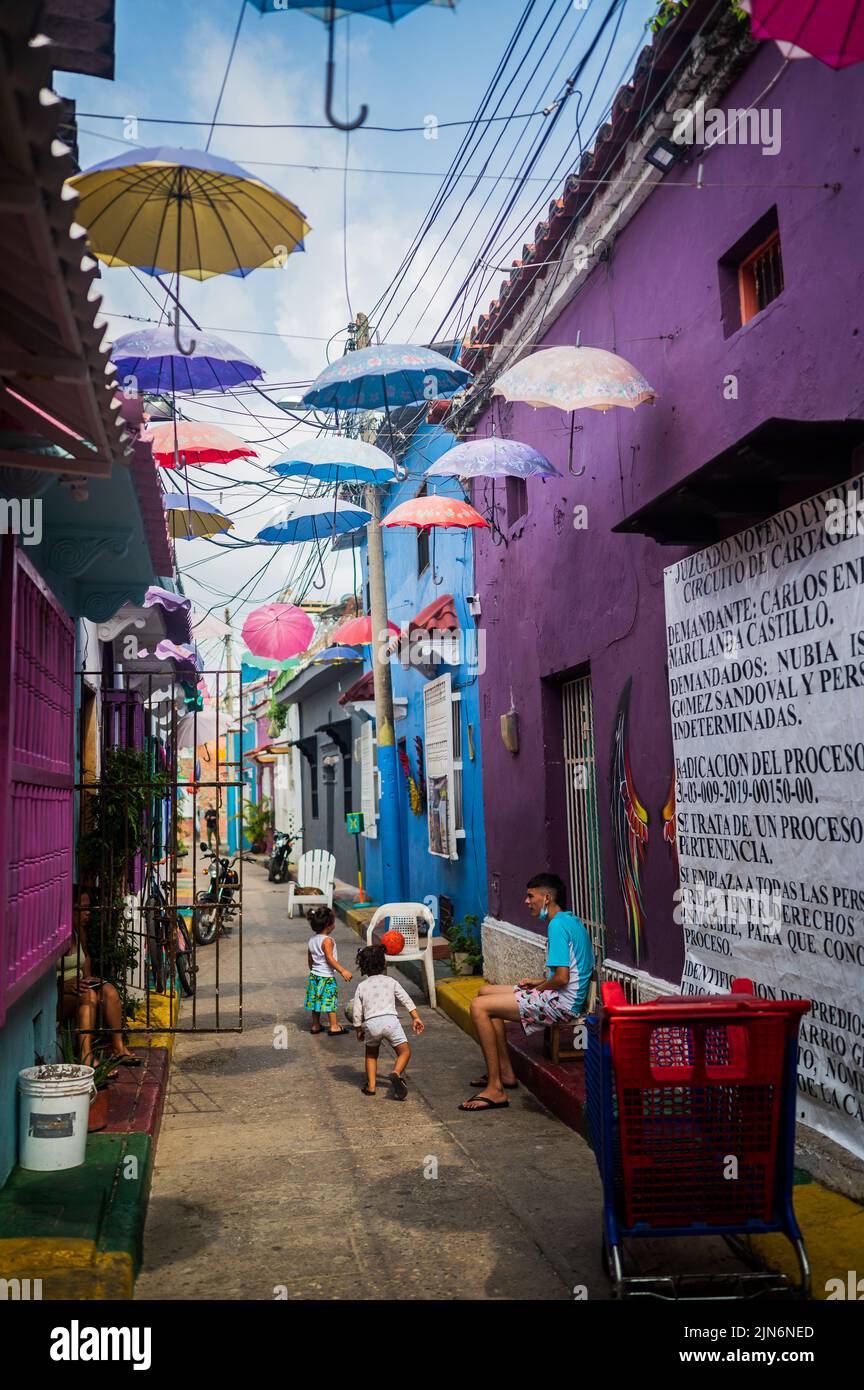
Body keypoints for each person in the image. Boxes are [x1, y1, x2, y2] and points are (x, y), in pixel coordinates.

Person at [458, 873, 593, 1113]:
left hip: (561, 1004)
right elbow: (571, 972)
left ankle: (495, 1088)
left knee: (479, 1007)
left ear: (547, 897)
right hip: (562, 996)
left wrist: (540, 989)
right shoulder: (570, 921)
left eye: (531, 896)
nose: (526, 901)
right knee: (484, 991)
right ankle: (506, 1072)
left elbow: (562, 978)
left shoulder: (557, 926)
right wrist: (540, 982)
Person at [58, 887, 141, 1073]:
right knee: (89, 996)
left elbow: (85, 957)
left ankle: (119, 1047)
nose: (88, 913)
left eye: (89, 908)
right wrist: (64, 985)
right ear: (68, 909)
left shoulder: (78, 932)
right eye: (83, 908)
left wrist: (89, 978)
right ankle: (86, 1059)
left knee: (109, 990)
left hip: (79, 985)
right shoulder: (55, 936)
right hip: (59, 992)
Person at [349, 945, 424, 1098]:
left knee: (371, 1055)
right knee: (404, 1052)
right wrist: (415, 1017)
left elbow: (357, 1012)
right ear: (384, 963)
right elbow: (405, 999)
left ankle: (371, 1087)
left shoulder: (362, 986)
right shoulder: (391, 981)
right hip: (391, 1022)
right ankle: (396, 1072)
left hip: (371, 1025)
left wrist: (358, 1029)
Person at [305, 905, 352, 1036]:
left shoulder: (312, 940)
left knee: (315, 1001)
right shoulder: (327, 941)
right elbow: (330, 959)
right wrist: (343, 971)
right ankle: (334, 1026)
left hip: (314, 976)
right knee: (329, 1001)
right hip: (326, 977)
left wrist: (313, 969)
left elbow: (310, 958)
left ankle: (315, 1025)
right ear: (329, 925)